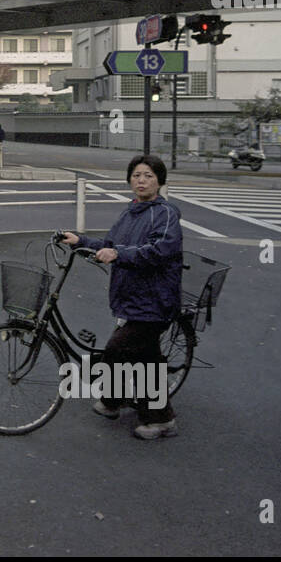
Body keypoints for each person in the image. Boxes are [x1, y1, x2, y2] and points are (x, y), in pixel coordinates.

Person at [61, 154, 183, 440]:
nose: (141, 180)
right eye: (137, 175)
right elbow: (110, 244)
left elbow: (159, 251)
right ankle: (116, 402)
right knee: (143, 355)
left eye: (148, 176)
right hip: (132, 297)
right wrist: (81, 241)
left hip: (154, 299)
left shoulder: (165, 213)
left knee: (119, 349)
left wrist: (119, 254)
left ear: (160, 181)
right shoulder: (131, 211)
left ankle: (161, 419)